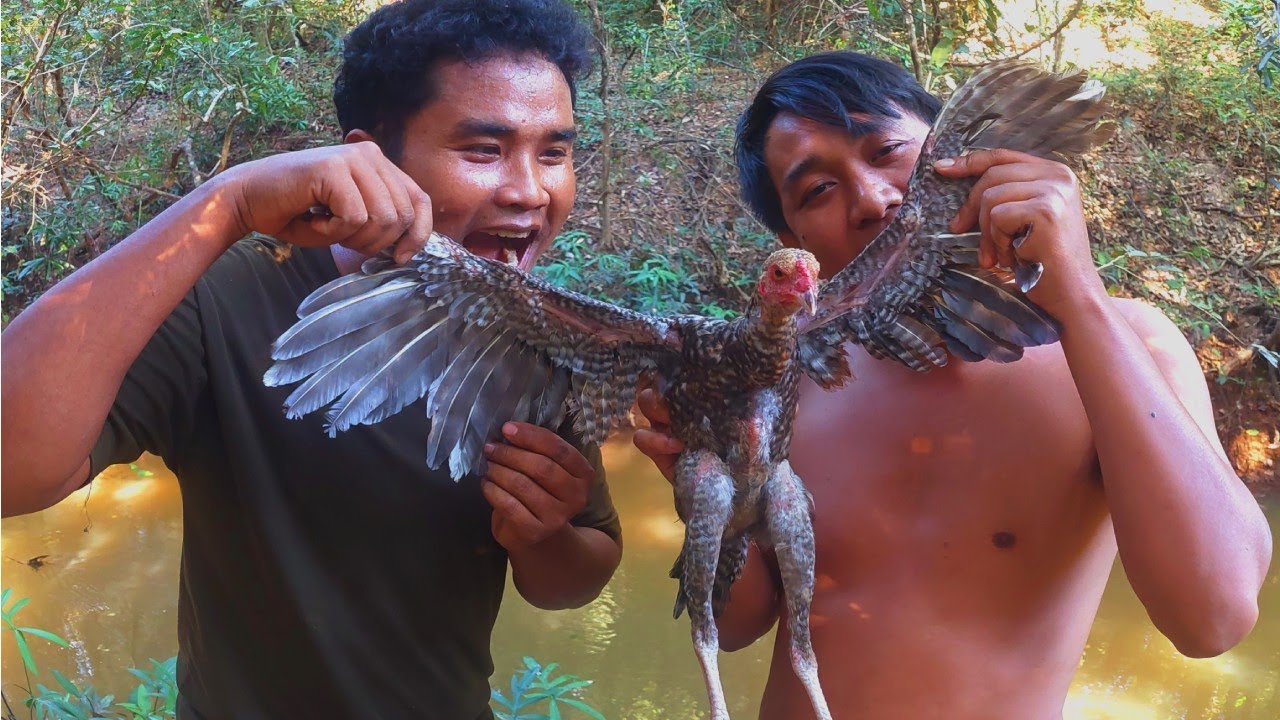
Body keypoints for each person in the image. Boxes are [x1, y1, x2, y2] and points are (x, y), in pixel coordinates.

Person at [1, 1, 622, 717]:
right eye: (484, 150)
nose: (530, 191)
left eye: (554, 154)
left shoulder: (544, 339)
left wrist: (543, 536)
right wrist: (228, 201)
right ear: (372, 159)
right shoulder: (228, 298)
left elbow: (577, 577)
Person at [634, 52, 1272, 719]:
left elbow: (1213, 618)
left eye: (887, 151)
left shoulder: (1124, 344)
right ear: (794, 240)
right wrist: (698, 488)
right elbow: (738, 624)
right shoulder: (788, 376)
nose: (873, 199)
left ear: (960, 151)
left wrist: (1079, 294)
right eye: (817, 191)